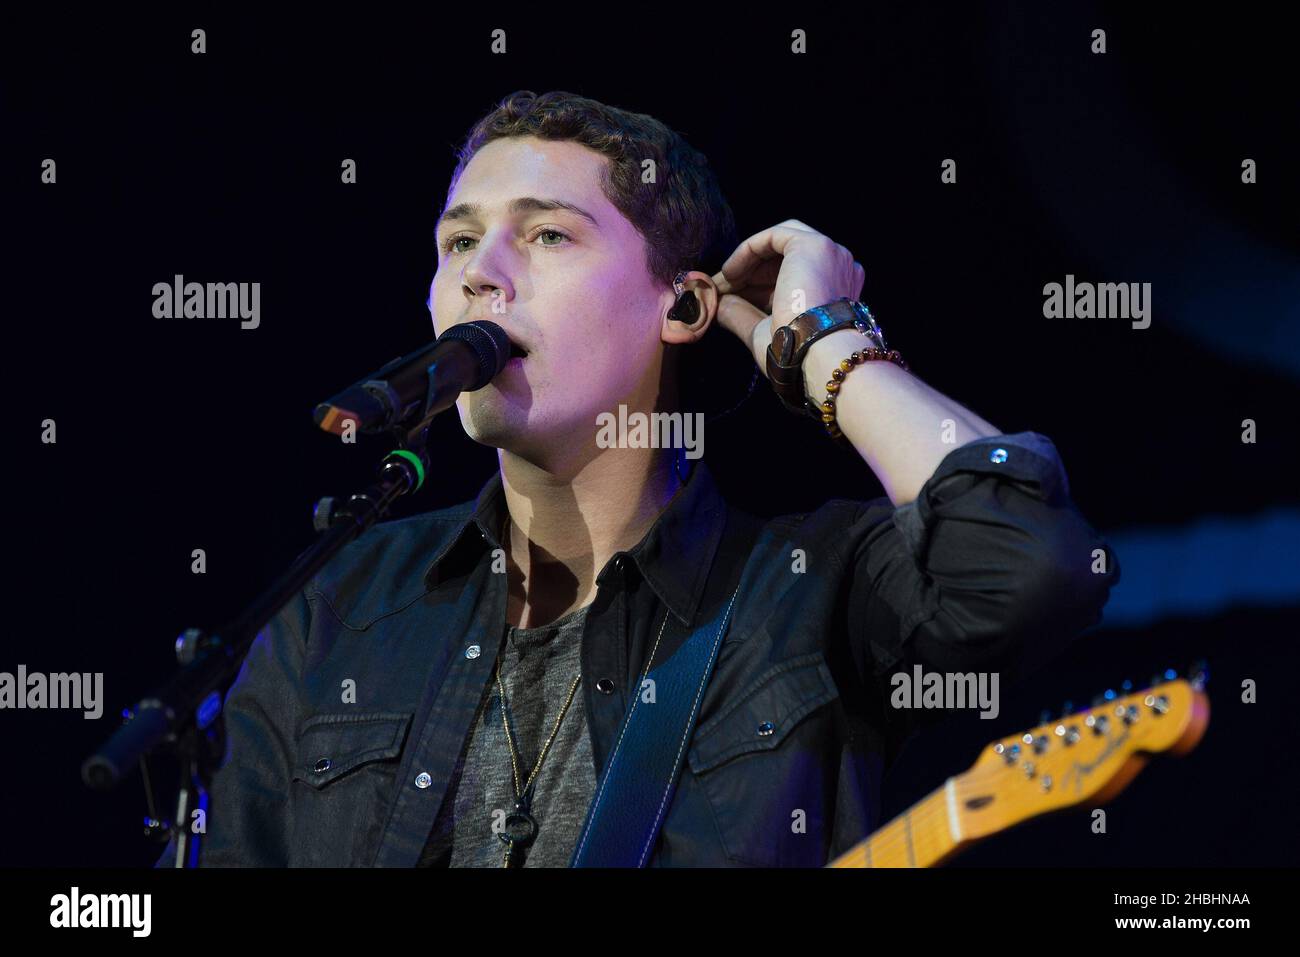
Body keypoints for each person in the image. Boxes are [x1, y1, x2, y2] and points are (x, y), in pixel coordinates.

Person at [156, 89, 1119, 868]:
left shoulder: (809, 594)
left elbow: (1027, 563)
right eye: (458, 242)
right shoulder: (339, 606)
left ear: (682, 304)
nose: (481, 274)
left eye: (547, 236)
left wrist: (819, 345)